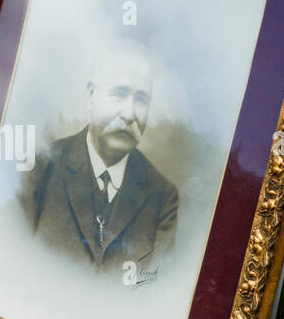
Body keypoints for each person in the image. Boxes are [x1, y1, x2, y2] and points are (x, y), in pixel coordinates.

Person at [21, 37, 178, 272]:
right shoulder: (40, 166)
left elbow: (154, 291)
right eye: (119, 93)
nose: (129, 113)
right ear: (91, 95)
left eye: (141, 99)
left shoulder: (163, 198)